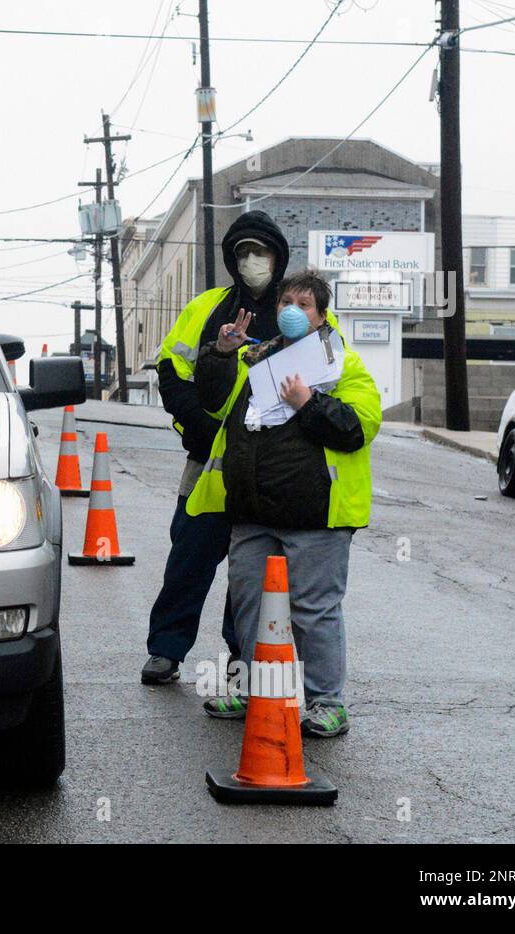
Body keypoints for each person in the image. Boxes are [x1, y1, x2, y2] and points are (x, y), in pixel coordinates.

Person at [187, 269, 381, 736]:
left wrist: (308, 402)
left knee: (314, 612)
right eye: (285, 301)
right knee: (248, 607)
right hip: (253, 513)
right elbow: (212, 402)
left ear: (321, 314)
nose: (292, 310)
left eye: (304, 303)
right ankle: (253, 688)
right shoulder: (257, 359)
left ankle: (326, 702)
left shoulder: (342, 365)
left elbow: (358, 428)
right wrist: (220, 353)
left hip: (315, 515)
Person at [142, 210, 289, 686]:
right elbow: (171, 369)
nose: (252, 261)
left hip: (271, 468)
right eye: (243, 253)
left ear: (278, 257)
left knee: (253, 569)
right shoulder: (207, 306)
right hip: (209, 462)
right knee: (189, 557)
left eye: (260, 252)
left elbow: (327, 378)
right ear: (231, 259)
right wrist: (204, 428)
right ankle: (166, 650)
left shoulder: (299, 315)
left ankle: (240, 657)